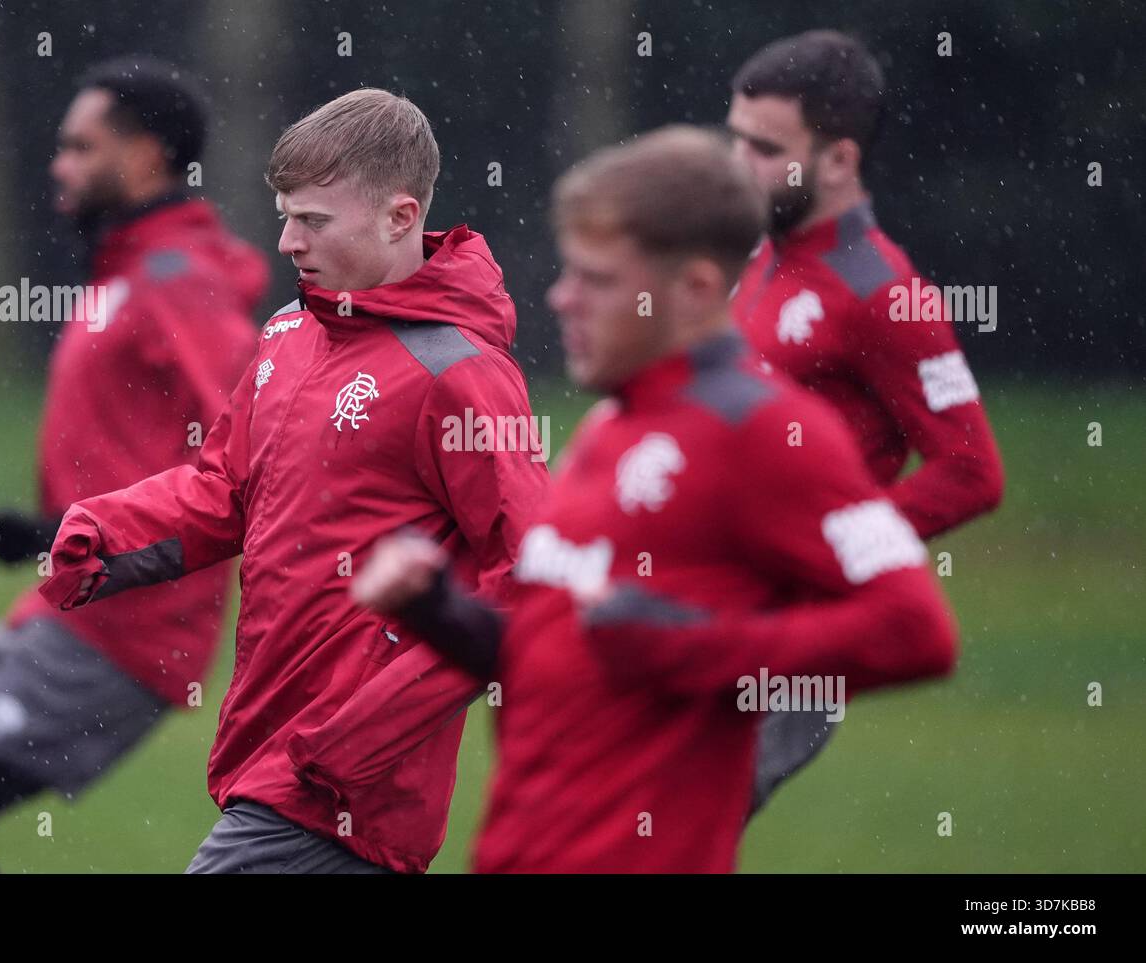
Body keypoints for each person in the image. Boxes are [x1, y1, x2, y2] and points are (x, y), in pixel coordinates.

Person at [353, 125, 958, 872]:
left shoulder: (768, 430)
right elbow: (565, 654)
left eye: (597, 279)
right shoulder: (614, 423)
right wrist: (437, 610)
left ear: (696, 290)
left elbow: (916, 629)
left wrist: (698, 651)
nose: (561, 297)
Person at [38, 88, 550, 874]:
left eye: (312, 221)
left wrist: (367, 730)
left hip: (344, 788)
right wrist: (101, 532)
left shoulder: (461, 373)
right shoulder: (289, 332)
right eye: (284, 215)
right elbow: (224, 490)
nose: (285, 241)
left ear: (400, 217)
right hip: (270, 749)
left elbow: (528, 580)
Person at [0, 56, 269, 872]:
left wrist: (103, 539)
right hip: (60, 607)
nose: (60, 164)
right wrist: (53, 531)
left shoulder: (177, 279)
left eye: (81, 146)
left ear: (147, 157)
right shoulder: (126, 272)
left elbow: (247, 442)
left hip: (129, 626)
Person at [725, 31, 1004, 807]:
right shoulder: (764, 252)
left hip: (800, 636)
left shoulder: (885, 291)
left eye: (763, 147)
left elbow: (972, 471)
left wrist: (828, 546)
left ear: (839, 160)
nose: (738, 162)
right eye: (735, 138)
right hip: (722, 605)